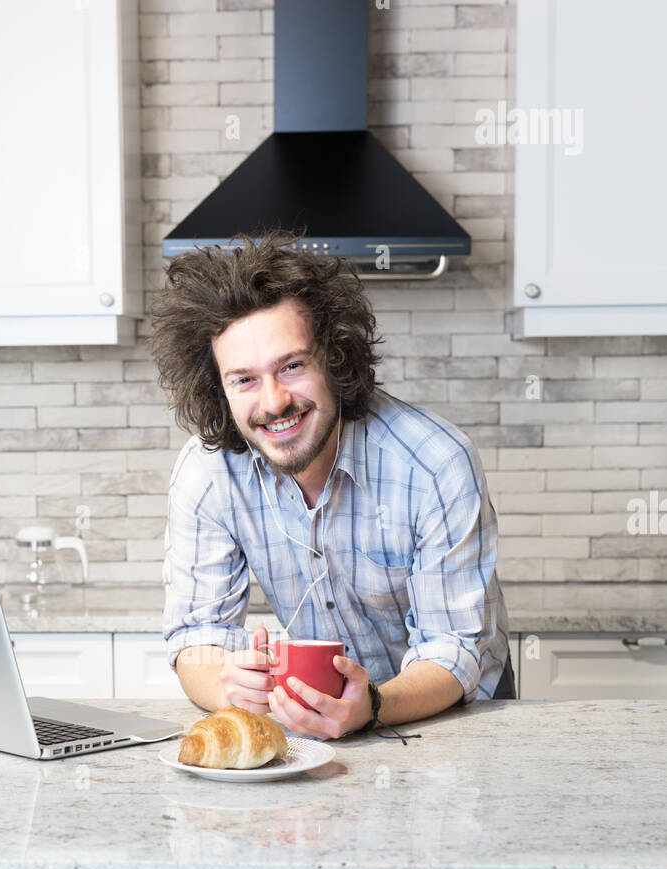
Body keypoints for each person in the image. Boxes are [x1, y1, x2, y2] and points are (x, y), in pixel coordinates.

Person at [150, 228, 513, 742]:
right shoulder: (207, 475)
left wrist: (374, 705)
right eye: (244, 380)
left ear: (335, 358)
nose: (274, 402)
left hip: (454, 717)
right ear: (219, 389)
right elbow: (196, 637)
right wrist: (230, 688)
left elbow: (452, 648)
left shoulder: (434, 464)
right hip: (319, 730)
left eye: (292, 366)